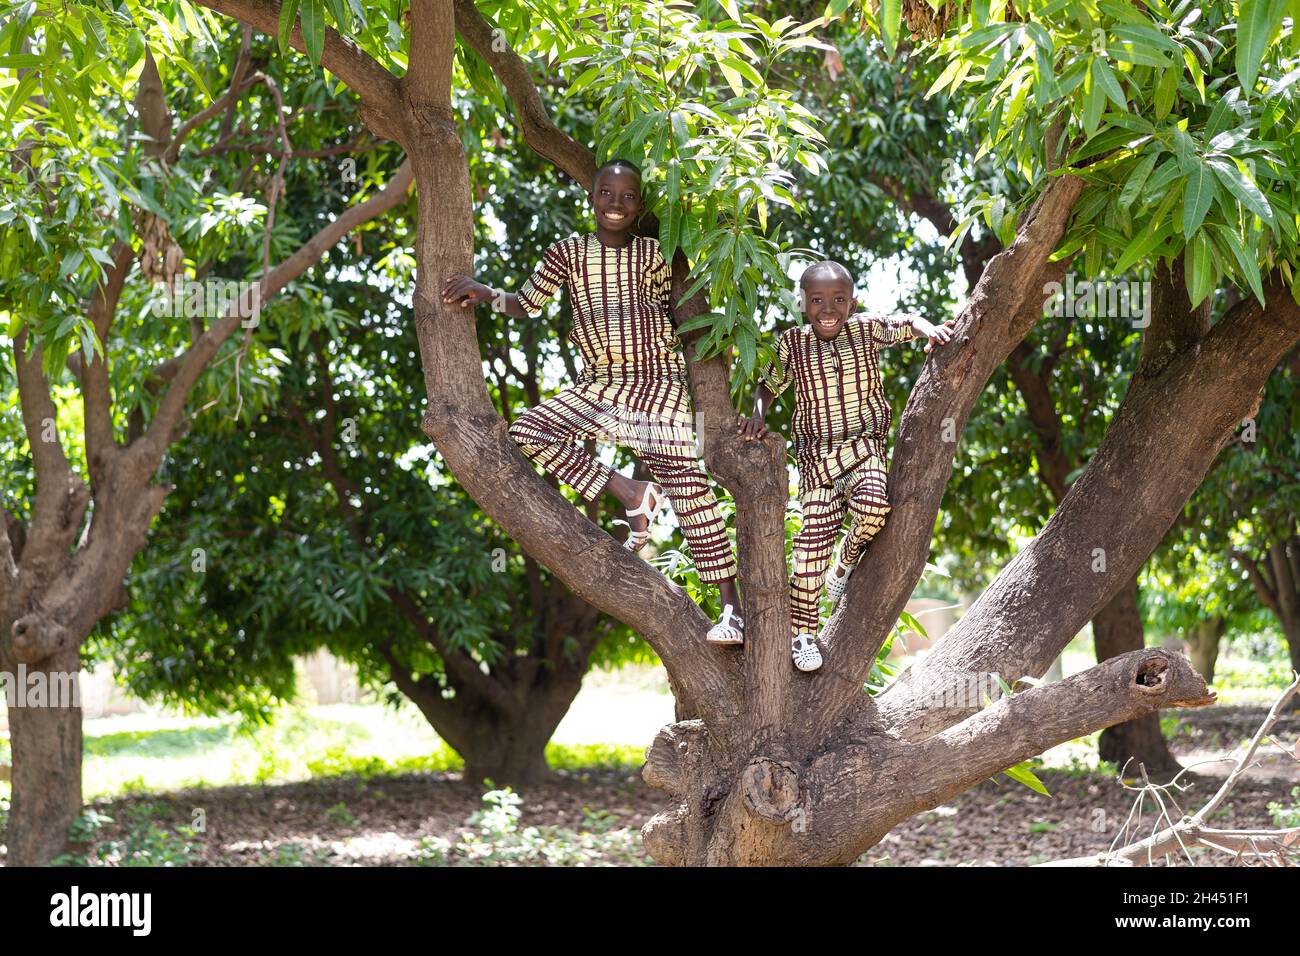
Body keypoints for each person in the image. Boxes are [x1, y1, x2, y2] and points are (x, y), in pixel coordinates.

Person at [442, 159, 745, 644]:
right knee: (528, 431)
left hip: (658, 383)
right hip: (601, 386)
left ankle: (731, 609)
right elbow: (527, 303)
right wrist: (485, 294)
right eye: (607, 193)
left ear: (639, 205)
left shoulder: (658, 252)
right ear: (593, 198)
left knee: (689, 489)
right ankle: (628, 492)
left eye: (627, 197)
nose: (616, 204)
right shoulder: (567, 252)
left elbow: (684, 307)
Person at [737, 260, 958, 671]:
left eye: (839, 300)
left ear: (852, 303)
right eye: (817, 300)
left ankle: (848, 554)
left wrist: (929, 329)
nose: (828, 309)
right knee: (806, 558)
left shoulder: (864, 329)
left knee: (875, 508)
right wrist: (758, 414)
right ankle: (804, 633)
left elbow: (905, 322)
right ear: (803, 303)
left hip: (863, 447)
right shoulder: (792, 344)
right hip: (817, 459)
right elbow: (768, 384)